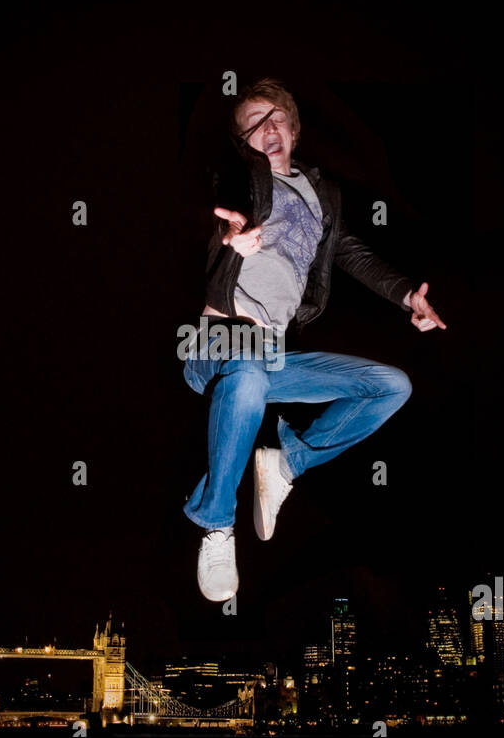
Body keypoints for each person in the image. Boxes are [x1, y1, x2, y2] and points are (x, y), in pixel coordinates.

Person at [183, 77, 446, 602]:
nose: (269, 129)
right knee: (248, 372)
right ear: (244, 143)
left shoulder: (320, 194)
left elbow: (350, 252)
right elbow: (211, 220)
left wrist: (403, 296)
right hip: (216, 340)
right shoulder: (237, 182)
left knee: (392, 385)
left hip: (273, 351)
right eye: (255, 125)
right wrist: (230, 243)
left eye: (277, 118)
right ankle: (216, 524)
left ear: (294, 130)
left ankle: (284, 464)